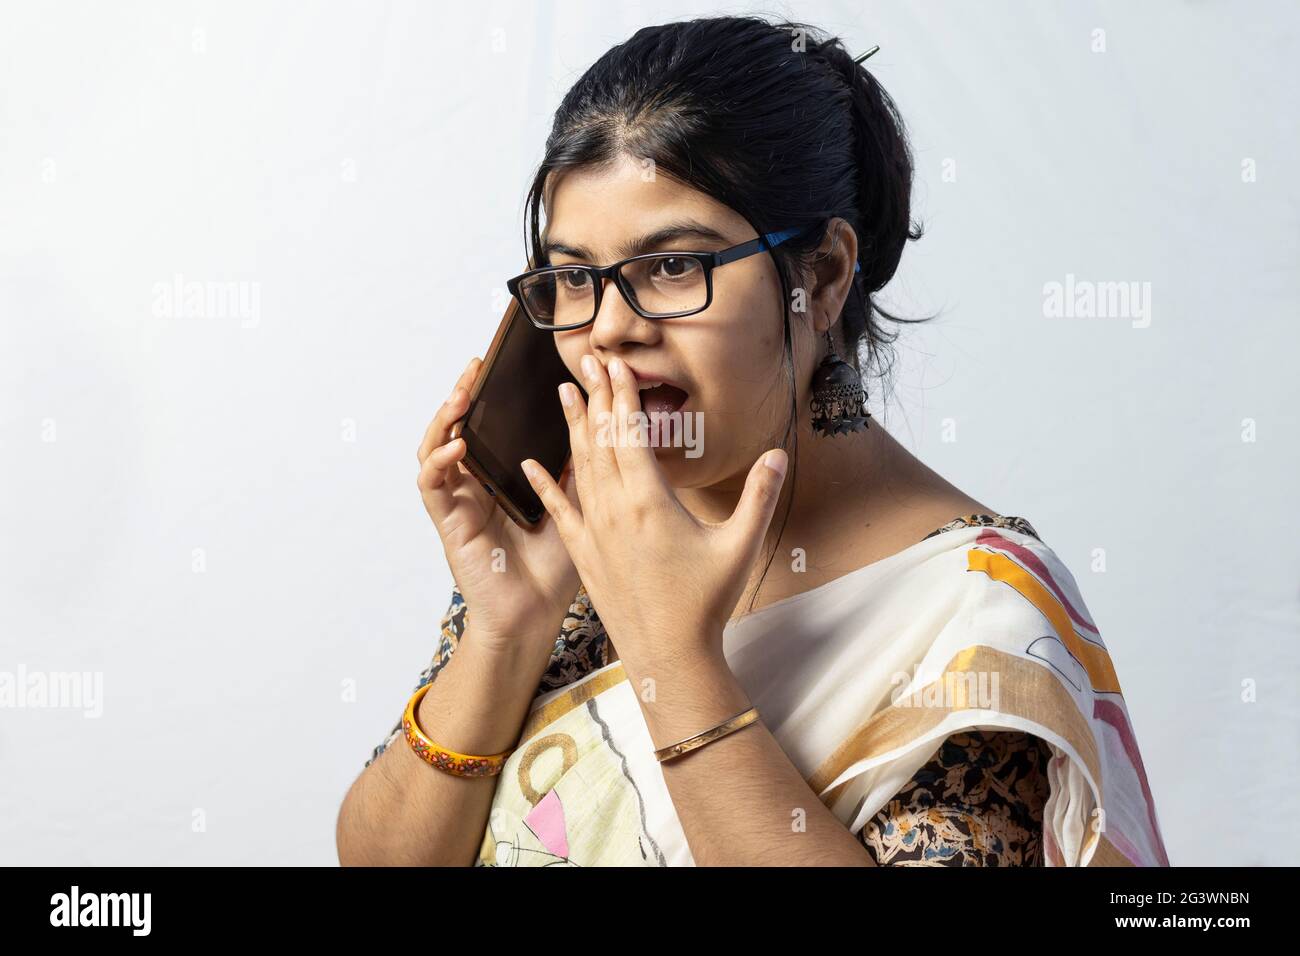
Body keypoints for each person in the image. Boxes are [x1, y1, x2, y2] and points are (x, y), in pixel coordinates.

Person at [336, 14, 1169, 867]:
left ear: (823, 274)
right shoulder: (577, 524)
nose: (610, 329)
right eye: (576, 276)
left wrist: (674, 654)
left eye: (673, 266)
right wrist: (504, 633)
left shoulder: (973, 617)